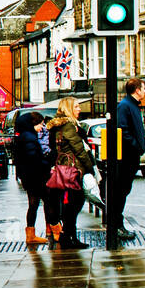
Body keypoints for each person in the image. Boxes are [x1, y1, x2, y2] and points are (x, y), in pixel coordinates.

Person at [46, 97, 96, 250]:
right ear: (68, 108)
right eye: (76, 107)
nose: (79, 109)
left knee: (71, 204)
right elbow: (79, 149)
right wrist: (90, 168)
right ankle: (69, 237)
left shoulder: (60, 125)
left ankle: (69, 235)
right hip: (72, 170)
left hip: (65, 169)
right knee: (75, 203)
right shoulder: (68, 125)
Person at [113, 78, 145, 242]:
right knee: (120, 192)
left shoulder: (131, 105)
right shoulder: (125, 106)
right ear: (137, 90)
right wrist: (135, 145)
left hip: (131, 157)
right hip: (126, 158)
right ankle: (116, 226)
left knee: (123, 191)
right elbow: (122, 130)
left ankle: (117, 225)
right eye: (144, 88)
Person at [13, 112, 51, 247]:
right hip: (36, 177)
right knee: (48, 201)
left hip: (29, 177)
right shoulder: (29, 138)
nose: (42, 126)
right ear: (33, 124)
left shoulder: (24, 136)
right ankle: (53, 229)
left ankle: (32, 233)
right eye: (40, 124)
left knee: (34, 204)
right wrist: (48, 163)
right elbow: (34, 159)